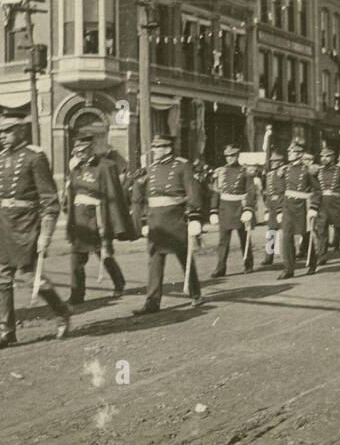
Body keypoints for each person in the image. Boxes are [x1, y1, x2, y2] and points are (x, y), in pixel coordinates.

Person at [0, 106, 70, 350]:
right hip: (4, 224)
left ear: (21, 131)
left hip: (26, 224)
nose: (3, 136)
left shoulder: (35, 157)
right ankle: (7, 332)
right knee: (1, 277)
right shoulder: (0, 159)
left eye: (9, 131)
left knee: (30, 276)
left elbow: (49, 200)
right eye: (1, 132)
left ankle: (61, 311)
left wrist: (46, 233)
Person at [129, 132, 204, 315]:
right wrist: (139, 186)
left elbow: (192, 192)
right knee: (154, 260)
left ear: (168, 148)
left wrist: (194, 217)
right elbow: (144, 198)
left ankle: (196, 293)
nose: (154, 150)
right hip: (156, 221)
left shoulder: (182, 166)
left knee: (184, 257)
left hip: (175, 219)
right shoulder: (151, 168)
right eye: (153, 147)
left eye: (158, 147)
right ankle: (152, 302)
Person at [65, 124, 136, 304]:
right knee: (76, 258)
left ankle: (119, 283)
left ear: (91, 149)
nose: (79, 153)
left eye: (83, 150)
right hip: (80, 220)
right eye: (77, 150)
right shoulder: (76, 169)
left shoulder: (105, 166)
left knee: (104, 255)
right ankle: (77, 295)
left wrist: (112, 224)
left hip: (97, 219)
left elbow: (113, 195)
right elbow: (72, 195)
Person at [208, 143, 258, 277]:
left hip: (239, 207)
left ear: (237, 156)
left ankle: (248, 263)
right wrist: (213, 210)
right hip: (225, 207)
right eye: (227, 156)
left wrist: (248, 209)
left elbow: (251, 191)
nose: (230, 158)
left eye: (232, 155)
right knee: (223, 241)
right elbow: (216, 192)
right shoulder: (220, 172)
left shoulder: (245, 172)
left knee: (244, 237)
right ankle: (220, 267)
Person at [278, 140, 321, 278]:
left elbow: (317, 190)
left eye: (294, 152)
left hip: (303, 205)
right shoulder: (285, 170)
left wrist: (314, 207)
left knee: (305, 235)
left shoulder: (307, 170)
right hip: (288, 206)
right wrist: (279, 209)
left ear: (300, 154)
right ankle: (288, 268)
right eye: (289, 152)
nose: (290, 154)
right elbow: (281, 190)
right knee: (286, 236)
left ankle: (312, 263)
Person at [314, 143, 340, 260]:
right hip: (322, 204)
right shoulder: (317, 171)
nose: (324, 159)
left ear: (333, 157)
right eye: (322, 157)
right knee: (321, 230)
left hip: (336, 203)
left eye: (327, 156)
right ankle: (322, 255)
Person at [260, 146, 287, 268]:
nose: (273, 163)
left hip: (284, 204)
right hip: (272, 205)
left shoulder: (285, 171)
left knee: (287, 232)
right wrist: (267, 207)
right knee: (271, 231)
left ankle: (290, 254)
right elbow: (267, 192)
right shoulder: (269, 174)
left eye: (276, 161)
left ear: (281, 161)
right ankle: (269, 255)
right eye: (272, 161)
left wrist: (281, 206)